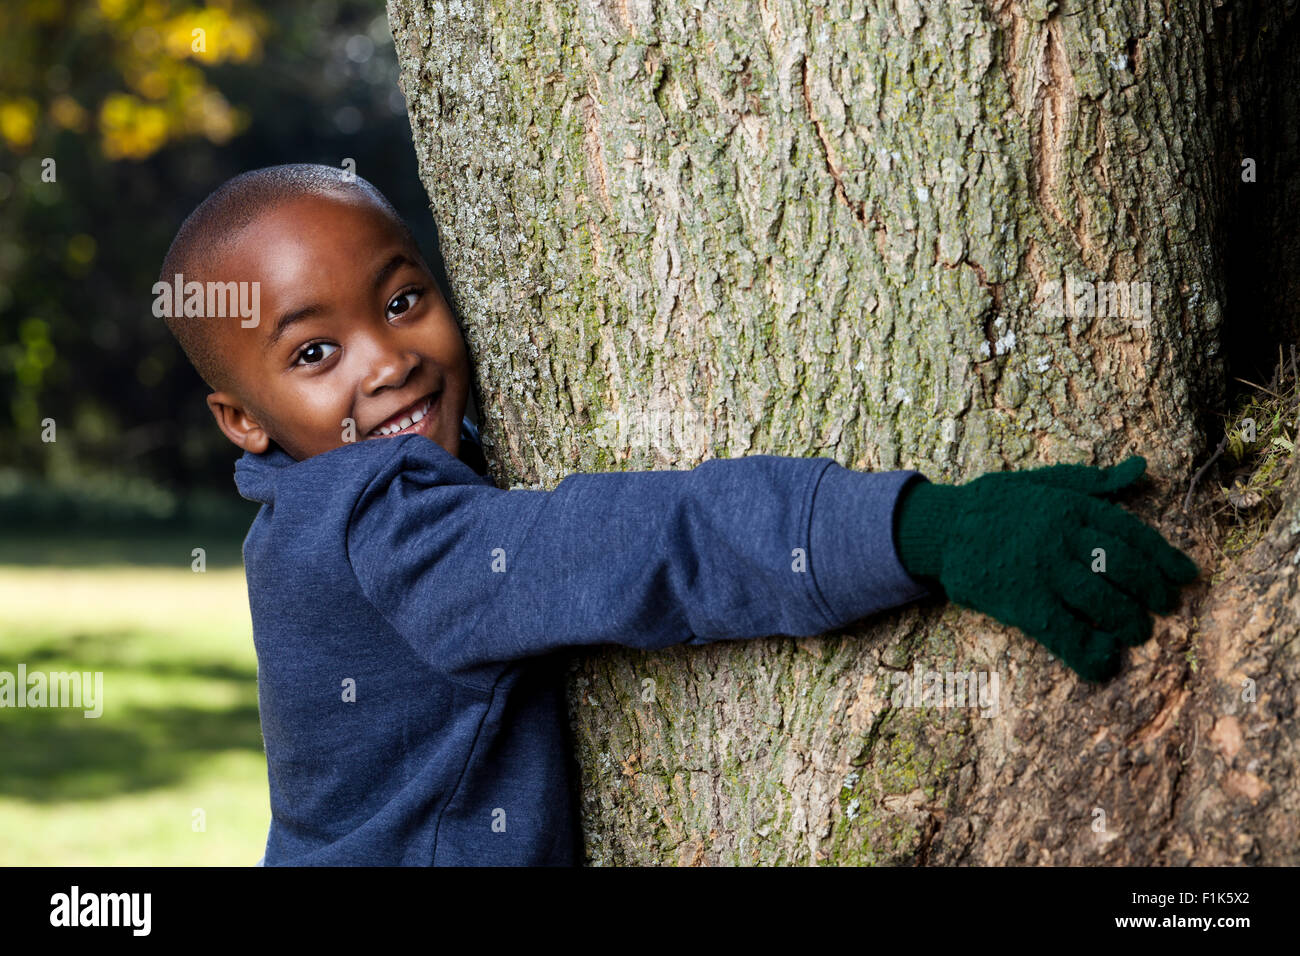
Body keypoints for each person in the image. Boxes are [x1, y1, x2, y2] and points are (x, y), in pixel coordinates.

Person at [159, 164, 1199, 865]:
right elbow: (643, 545)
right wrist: (922, 529)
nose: (387, 360)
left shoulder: (303, 511)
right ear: (240, 419)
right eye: (312, 353)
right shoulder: (385, 528)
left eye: (399, 301)